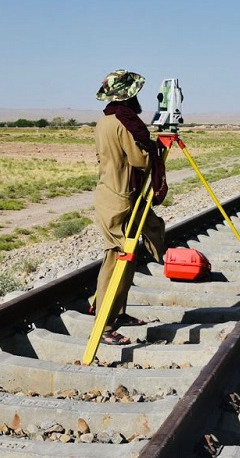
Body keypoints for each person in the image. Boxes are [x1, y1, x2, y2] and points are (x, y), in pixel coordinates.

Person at [91, 69, 167, 346]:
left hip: (115, 195)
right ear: (128, 95)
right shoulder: (124, 123)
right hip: (119, 200)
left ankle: (117, 313)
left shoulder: (106, 120)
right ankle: (105, 324)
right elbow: (140, 160)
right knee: (116, 261)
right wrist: (156, 150)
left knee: (129, 255)